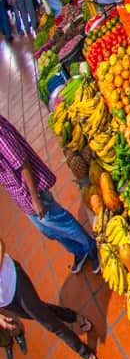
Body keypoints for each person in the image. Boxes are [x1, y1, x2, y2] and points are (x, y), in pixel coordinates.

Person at [0, 114, 99, 274]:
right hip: (20, 196)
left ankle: (90, 246)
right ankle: (79, 250)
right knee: (49, 231)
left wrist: (34, 198)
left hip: (31, 192)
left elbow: (21, 163)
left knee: (59, 221)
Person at [0, 235, 101, 359]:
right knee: (40, 312)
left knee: (50, 323)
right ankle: (74, 317)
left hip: (14, 279)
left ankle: (85, 353)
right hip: (6, 301)